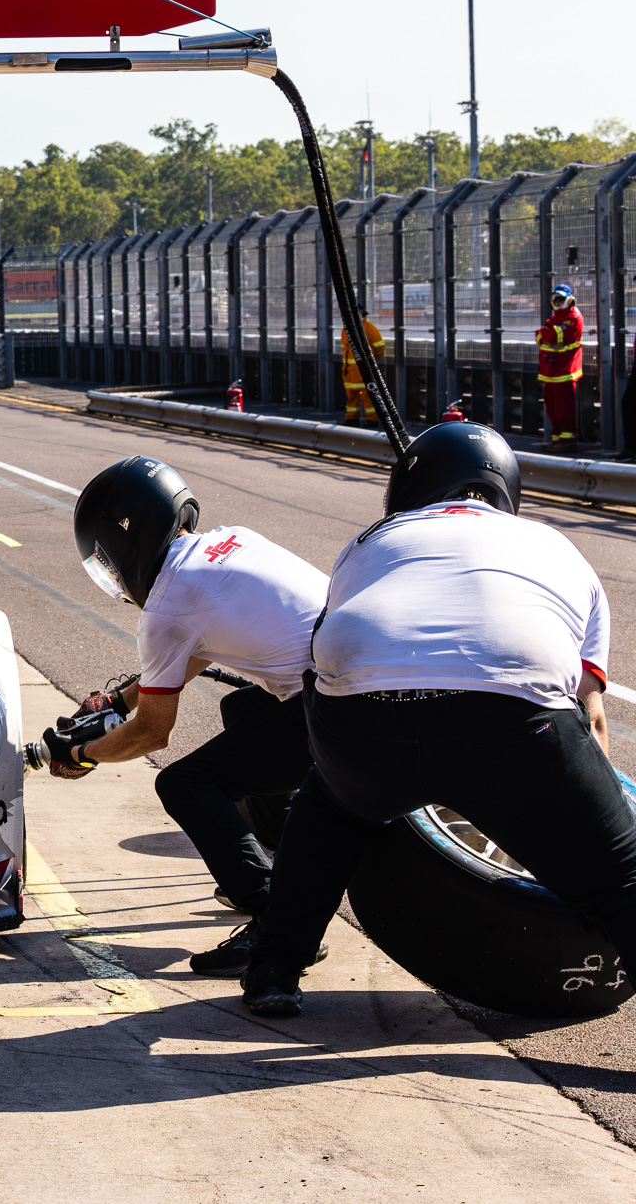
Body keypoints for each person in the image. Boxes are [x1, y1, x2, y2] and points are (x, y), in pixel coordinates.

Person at [241, 421, 636, 1016]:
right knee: (623, 877)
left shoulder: (371, 539)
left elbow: (328, 651)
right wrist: (589, 819)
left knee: (326, 806)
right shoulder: (555, 545)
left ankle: (274, 968)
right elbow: (588, 711)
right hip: (509, 721)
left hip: (361, 721)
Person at [63, 456, 332, 977]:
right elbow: (201, 648)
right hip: (360, 678)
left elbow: (152, 734)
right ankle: (275, 864)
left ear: (124, 541)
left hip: (334, 703)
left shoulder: (166, 605)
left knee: (184, 784)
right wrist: (116, 702)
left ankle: (278, 917)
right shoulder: (232, 541)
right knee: (241, 707)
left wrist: (83, 754)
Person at [538, 284, 584, 452]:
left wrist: (546, 334)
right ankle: (557, 440)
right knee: (552, 408)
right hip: (551, 371)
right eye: (555, 299)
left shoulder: (573, 316)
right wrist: (546, 334)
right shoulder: (556, 316)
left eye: (561, 298)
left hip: (564, 371)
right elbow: (542, 335)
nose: (557, 302)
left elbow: (554, 335)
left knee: (564, 409)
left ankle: (567, 442)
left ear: (570, 299)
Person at [340, 304, 386, 427]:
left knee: (369, 396)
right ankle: (351, 418)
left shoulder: (369, 328)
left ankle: (372, 420)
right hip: (350, 372)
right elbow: (345, 346)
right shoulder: (346, 329)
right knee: (351, 397)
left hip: (363, 371)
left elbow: (380, 347)